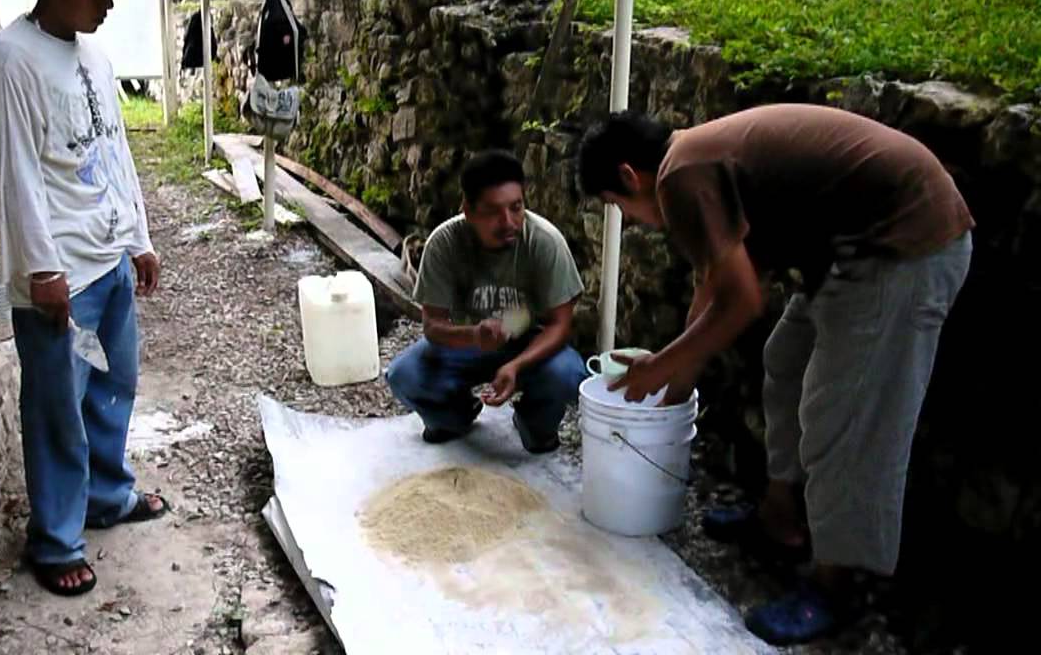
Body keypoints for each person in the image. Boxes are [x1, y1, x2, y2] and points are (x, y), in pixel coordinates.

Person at [577, 104, 974, 645]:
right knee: (784, 361)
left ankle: (840, 584)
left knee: (844, 413)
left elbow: (743, 303)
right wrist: (672, 381)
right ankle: (778, 516)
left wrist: (664, 367)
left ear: (629, 176)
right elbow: (711, 288)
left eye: (617, 207)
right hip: (854, 247)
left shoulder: (679, 178)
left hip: (902, 245)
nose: (631, 219)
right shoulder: (691, 161)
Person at [0, 0, 169, 598]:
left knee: (113, 388)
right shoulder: (9, 61)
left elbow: (115, 151)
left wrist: (139, 237)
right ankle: (56, 540)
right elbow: (15, 174)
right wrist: (39, 269)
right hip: (63, 273)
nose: (111, 0)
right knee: (59, 407)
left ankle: (107, 496)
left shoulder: (93, 53)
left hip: (108, 258)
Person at [386, 150, 588, 454]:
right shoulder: (443, 243)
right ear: (468, 209)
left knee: (568, 372)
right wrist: (472, 334)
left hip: (527, 344)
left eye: (516, 207)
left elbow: (560, 324)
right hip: (465, 342)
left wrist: (516, 365)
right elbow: (432, 325)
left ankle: (534, 425)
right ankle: (455, 417)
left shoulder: (545, 242)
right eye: (493, 211)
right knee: (404, 374)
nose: (508, 222)